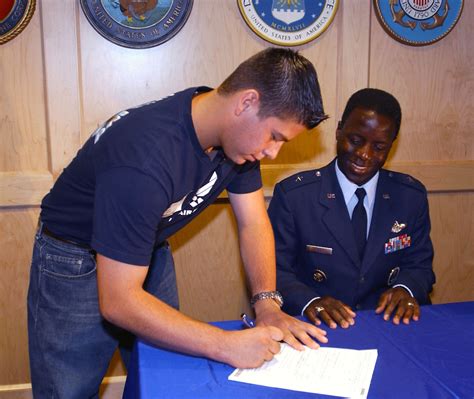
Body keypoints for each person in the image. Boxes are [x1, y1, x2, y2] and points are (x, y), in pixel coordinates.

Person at [27, 48, 329, 398]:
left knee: (160, 373)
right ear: (247, 102)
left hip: (146, 247)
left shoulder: (233, 136)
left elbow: (253, 222)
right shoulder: (145, 158)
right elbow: (119, 301)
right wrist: (225, 344)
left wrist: (266, 303)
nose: (272, 152)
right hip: (76, 261)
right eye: (275, 137)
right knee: (69, 389)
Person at [268, 88, 435, 330]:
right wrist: (309, 301)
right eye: (355, 140)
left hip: (386, 323)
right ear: (338, 131)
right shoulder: (295, 196)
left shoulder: (410, 196)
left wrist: (404, 289)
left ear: (391, 145)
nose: (364, 155)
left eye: (378, 147)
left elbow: (420, 265)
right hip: (318, 326)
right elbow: (273, 270)